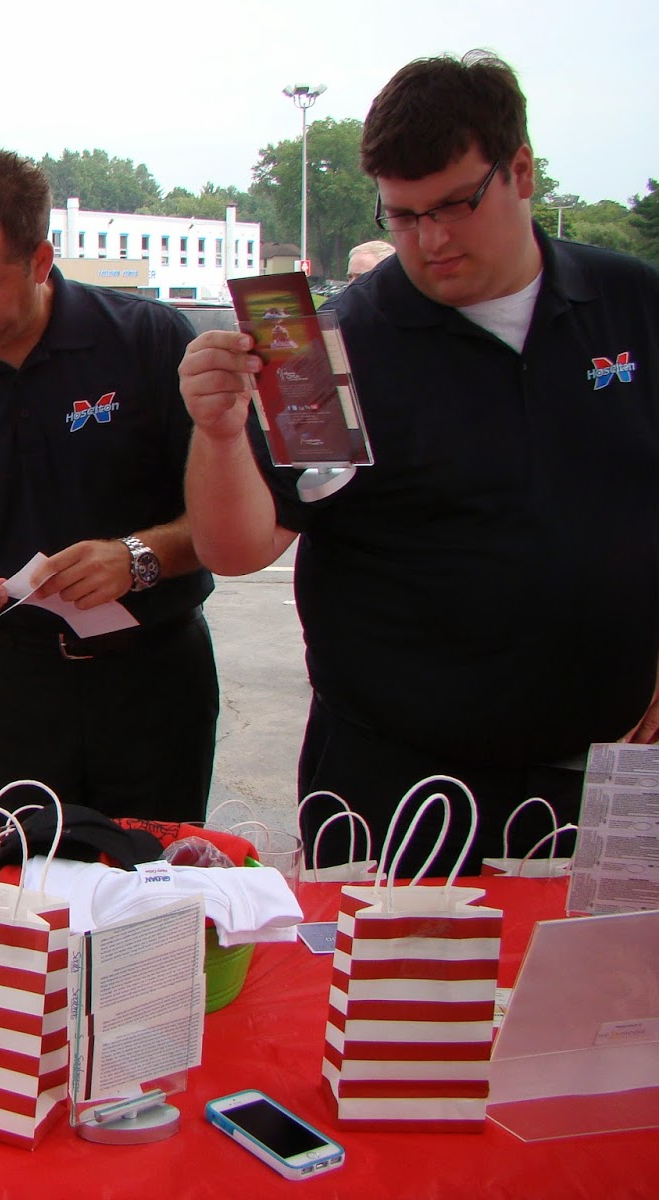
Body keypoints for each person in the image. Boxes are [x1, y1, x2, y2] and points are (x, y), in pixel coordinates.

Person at [179, 51, 659, 874]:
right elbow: (239, 548)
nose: (429, 241)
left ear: (521, 170)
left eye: (453, 206)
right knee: (389, 1004)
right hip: (399, 787)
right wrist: (220, 433)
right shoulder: (336, 347)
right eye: (402, 216)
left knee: (599, 998)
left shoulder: (633, 306)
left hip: (610, 773)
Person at [0, 144, 218, 823]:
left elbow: (227, 528)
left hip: (153, 678)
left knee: (151, 910)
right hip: (8, 690)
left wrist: (139, 556)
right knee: (17, 912)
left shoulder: (149, 345)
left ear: (40, 262)